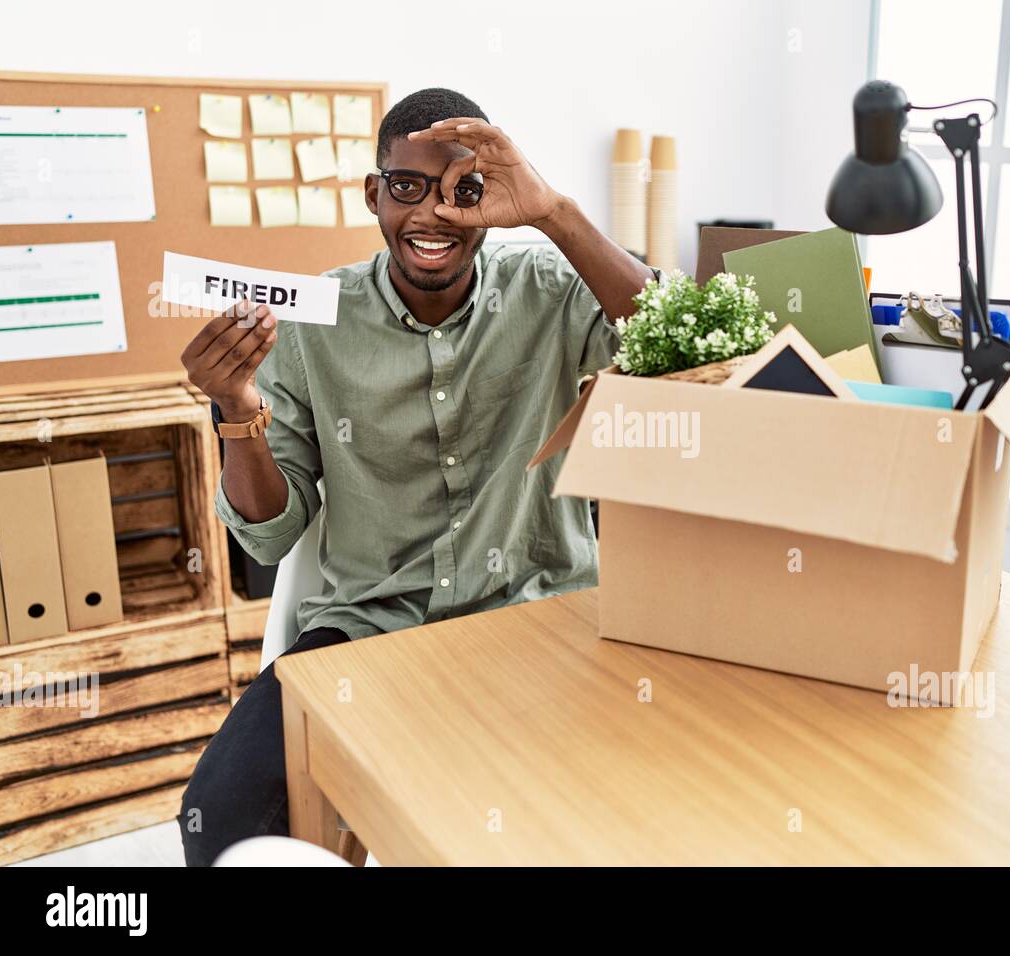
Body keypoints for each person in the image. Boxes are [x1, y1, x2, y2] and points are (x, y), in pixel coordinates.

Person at [177, 88, 655, 866]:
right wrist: (236, 407)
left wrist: (554, 213)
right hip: (370, 629)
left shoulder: (548, 289)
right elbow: (271, 532)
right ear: (374, 194)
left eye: (463, 191)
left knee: (616, 812)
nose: (433, 216)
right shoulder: (309, 326)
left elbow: (684, 347)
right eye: (407, 188)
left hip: (541, 617)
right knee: (222, 817)